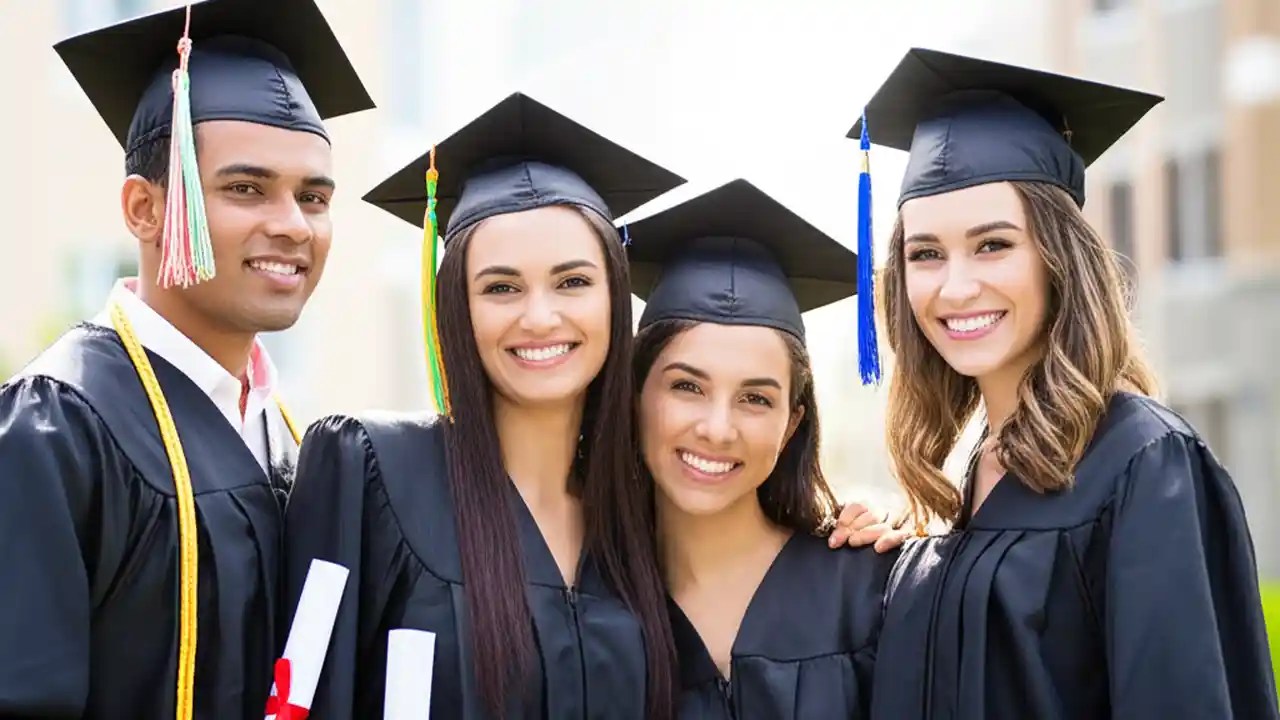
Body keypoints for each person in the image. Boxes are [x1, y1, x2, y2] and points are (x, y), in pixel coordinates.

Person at [852, 48, 1280, 719]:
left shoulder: (1143, 462)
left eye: (993, 244)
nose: (956, 286)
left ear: (1058, 260)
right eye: (925, 253)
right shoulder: (968, 477)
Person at [0, 0, 374, 717]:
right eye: (246, 188)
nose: (292, 225)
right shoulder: (56, 428)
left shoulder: (290, 441)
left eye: (314, 197)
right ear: (143, 209)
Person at [283, 92, 687, 718]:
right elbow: (300, 700)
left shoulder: (642, 515)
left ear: (614, 298)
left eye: (573, 282)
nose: (540, 316)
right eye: (501, 287)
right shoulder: (371, 474)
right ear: (456, 309)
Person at [625, 178, 898, 717]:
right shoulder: (590, 608)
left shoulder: (870, 593)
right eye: (687, 387)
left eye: (755, 398)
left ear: (793, 422)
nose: (718, 428)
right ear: (633, 396)